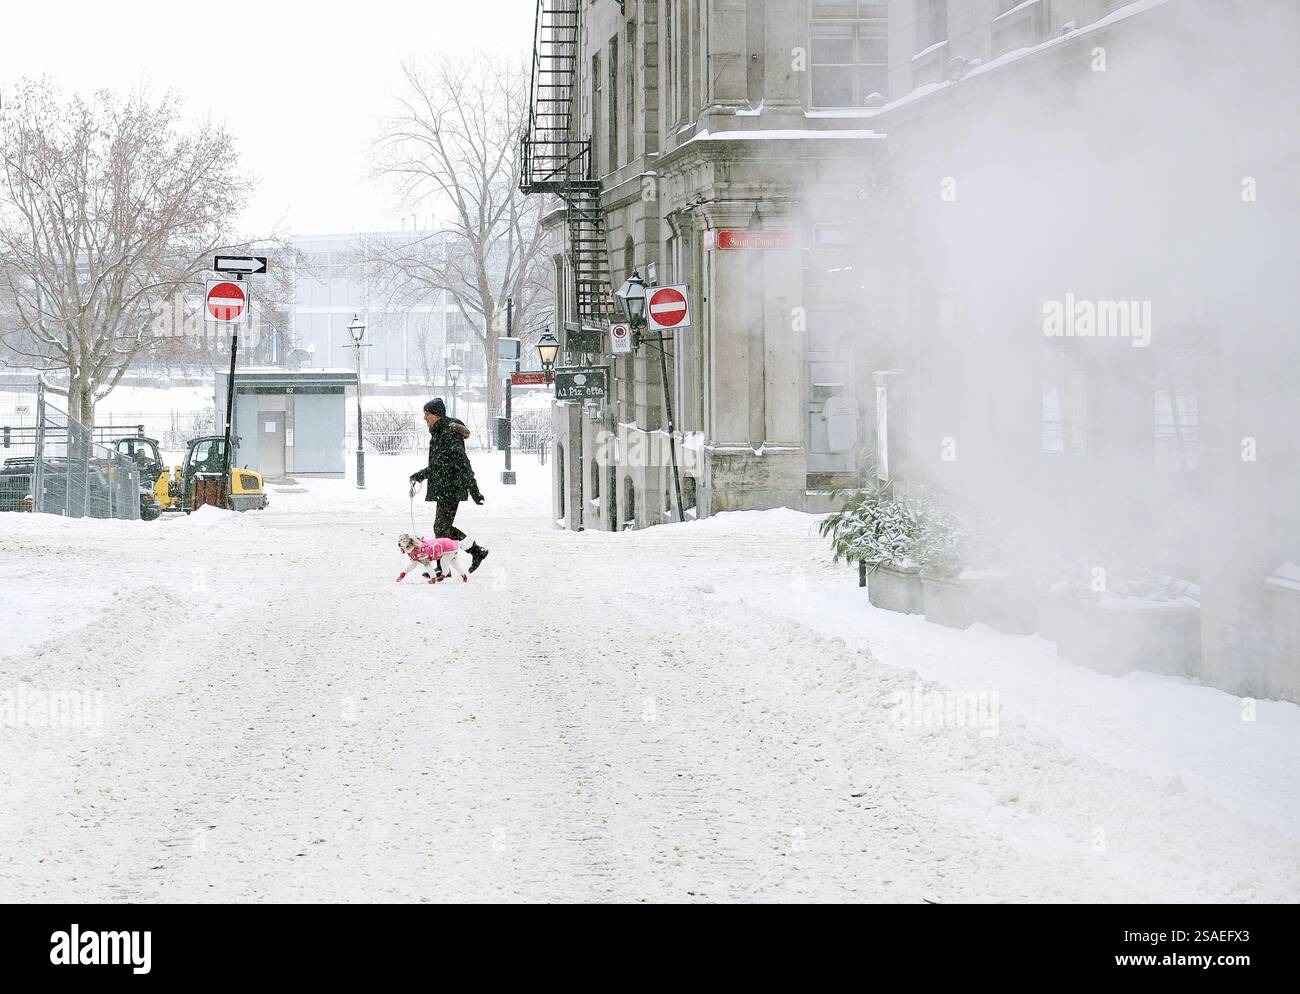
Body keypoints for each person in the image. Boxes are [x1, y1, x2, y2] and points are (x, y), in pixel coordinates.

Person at [409, 398, 490, 573]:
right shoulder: (439, 431)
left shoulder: (448, 433)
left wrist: (474, 489)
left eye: (427, 414)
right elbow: (439, 464)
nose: (425, 418)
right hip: (445, 486)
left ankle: (474, 552)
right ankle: (445, 567)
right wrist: (421, 475)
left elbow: (462, 462)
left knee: (441, 527)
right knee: (441, 528)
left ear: (436, 415)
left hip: (451, 486)